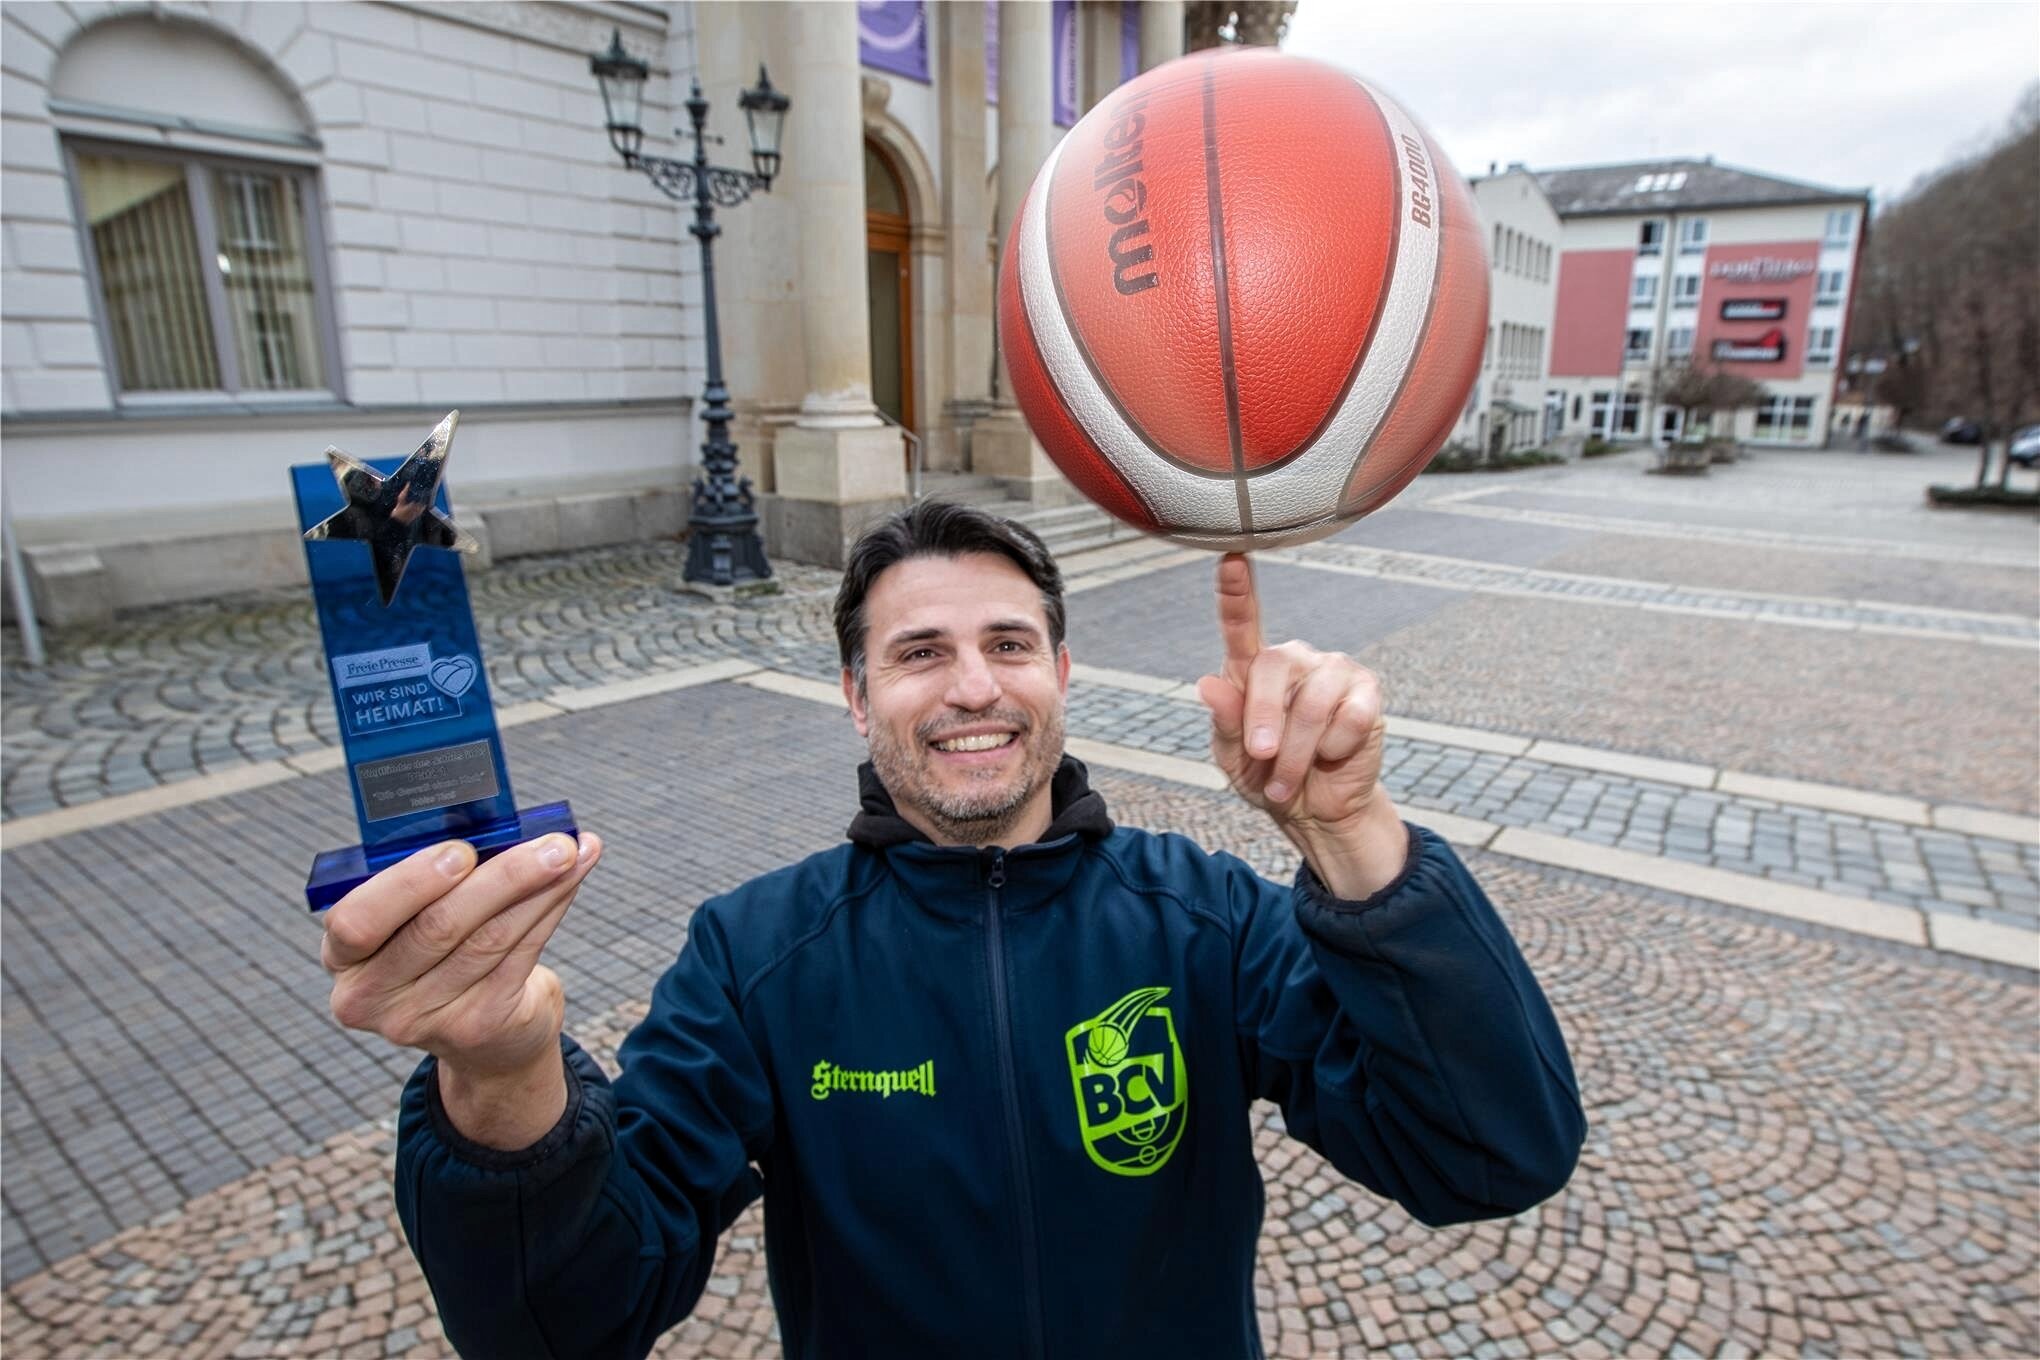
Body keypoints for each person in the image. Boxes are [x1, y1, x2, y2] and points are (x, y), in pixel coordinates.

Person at [321, 502, 1585, 1359]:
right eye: (921, 651)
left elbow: (1489, 1153)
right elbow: (573, 1317)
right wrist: (500, 1077)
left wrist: (1353, 831)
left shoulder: (1199, 918)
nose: (974, 684)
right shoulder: (759, 956)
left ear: (1062, 676)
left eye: (1008, 644)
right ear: (857, 696)